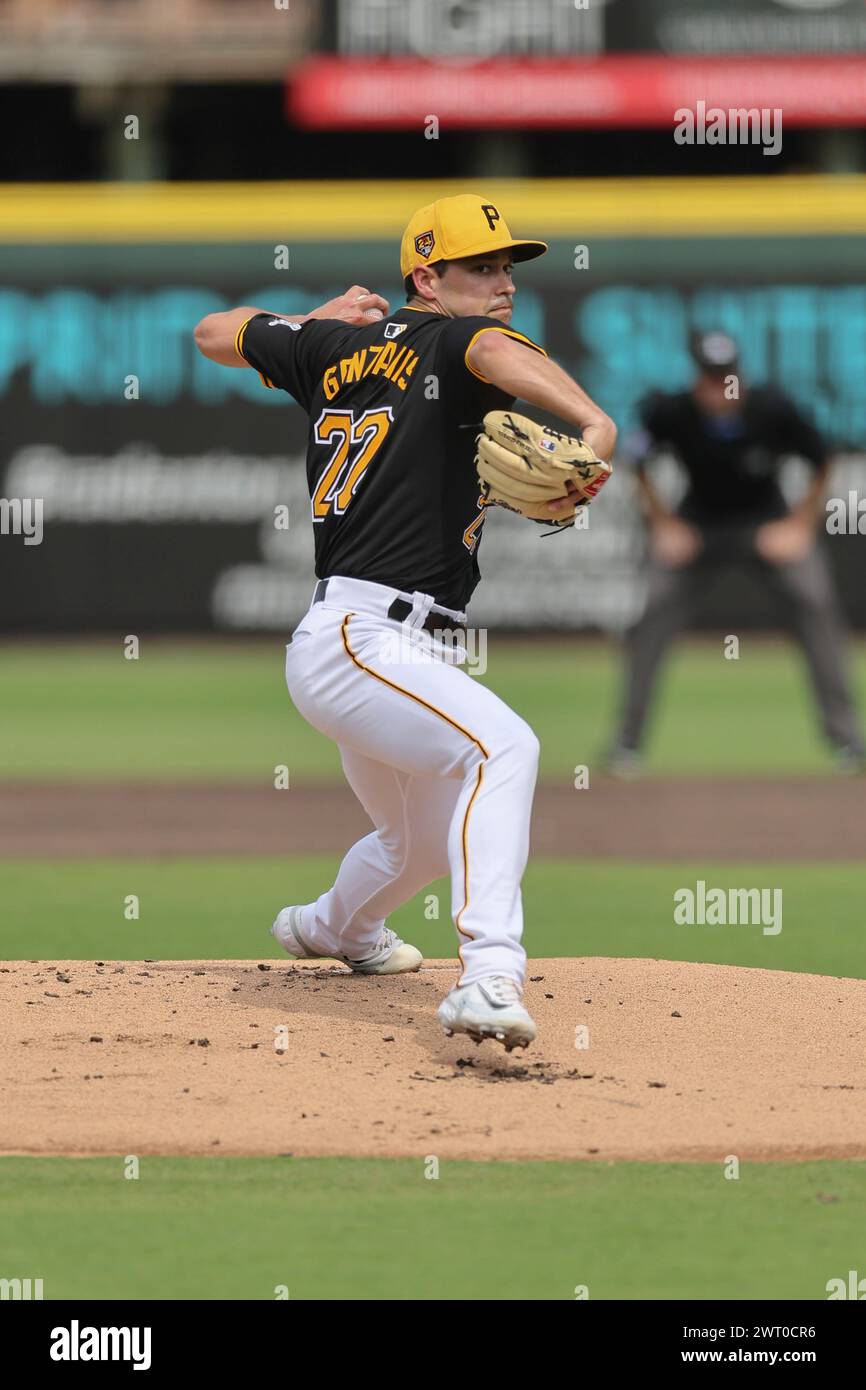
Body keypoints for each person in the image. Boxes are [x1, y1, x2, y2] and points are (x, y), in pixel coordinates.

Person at [194, 194, 616, 1050]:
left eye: (506, 267)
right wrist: (594, 421)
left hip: (379, 648)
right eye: (481, 267)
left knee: (417, 842)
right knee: (504, 748)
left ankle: (331, 928)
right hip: (364, 640)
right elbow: (490, 347)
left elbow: (213, 330)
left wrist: (309, 319)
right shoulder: (459, 340)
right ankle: (491, 974)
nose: (502, 284)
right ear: (426, 276)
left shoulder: (330, 346)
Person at [608, 330, 864, 775]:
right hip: (698, 524)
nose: (720, 386)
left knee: (817, 604)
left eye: (727, 376)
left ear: (740, 374)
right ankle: (626, 745)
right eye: (710, 377)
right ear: (696, 379)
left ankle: (847, 742)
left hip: (767, 522)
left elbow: (824, 457)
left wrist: (800, 525)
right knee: (651, 614)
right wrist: (664, 525)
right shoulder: (671, 411)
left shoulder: (773, 407)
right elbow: (634, 460)